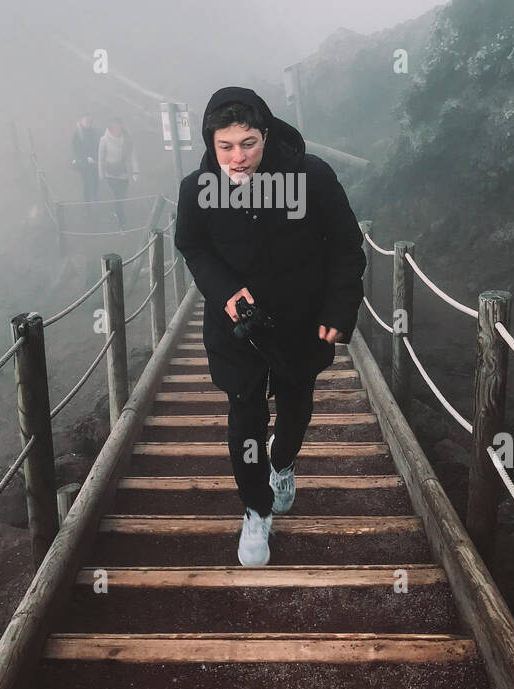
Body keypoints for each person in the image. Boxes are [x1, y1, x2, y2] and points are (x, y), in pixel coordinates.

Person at [174, 86, 365, 566]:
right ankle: (256, 508)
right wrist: (224, 293)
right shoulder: (197, 191)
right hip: (236, 325)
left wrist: (339, 311)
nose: (237, 158)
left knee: (296, 405)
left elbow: (346, 246)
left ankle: (283, 463)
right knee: (245, 415)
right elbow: (192, 246)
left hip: (302, 321)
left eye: (249, 143)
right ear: (210, 142)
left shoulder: (312, 177)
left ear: (266, 134)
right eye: (225, 146)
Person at [98, 117, 139, 232]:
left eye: (119, 126)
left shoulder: (127, 140)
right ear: (110, 128)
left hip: (123, 174)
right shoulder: (104, 140)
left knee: (121, 198)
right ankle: (122, 224)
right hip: (110, 175)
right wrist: (101, 175)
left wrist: (135, 171)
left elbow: (132, 156)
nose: (117, 129)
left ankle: (117, 212)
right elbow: (100, 159)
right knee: (118, 199)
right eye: (115, 127)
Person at [71, 112, 100, 204]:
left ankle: (95, 198)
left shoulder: (93, 131)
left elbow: (97, 146)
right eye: (86, 120)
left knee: (95, 180)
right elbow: (75, 150)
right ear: (81, 120)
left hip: (94, 162)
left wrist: (94, 157)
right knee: (86, 183)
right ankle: (87, 204)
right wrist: (85, 158)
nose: (87, 122)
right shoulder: (77, 134)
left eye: (89, 120)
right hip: (83, 164)